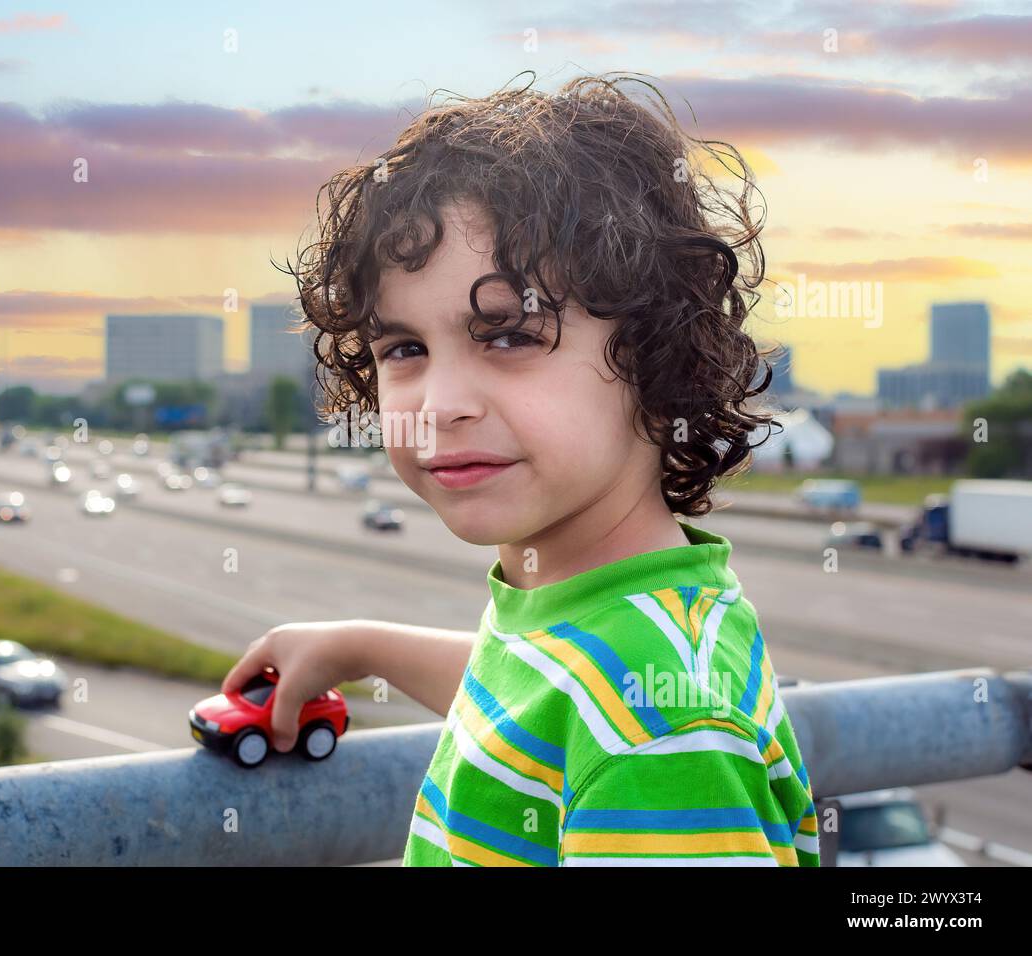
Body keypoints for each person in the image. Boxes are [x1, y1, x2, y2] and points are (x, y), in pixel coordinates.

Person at [222, 71, 819, 866]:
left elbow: (609, 722)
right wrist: (362, 645)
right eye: (404, 349)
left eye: (506, 335)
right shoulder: (622, 633)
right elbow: (546, 697)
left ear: (654, 351)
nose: (439, 401)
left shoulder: (661, 740)